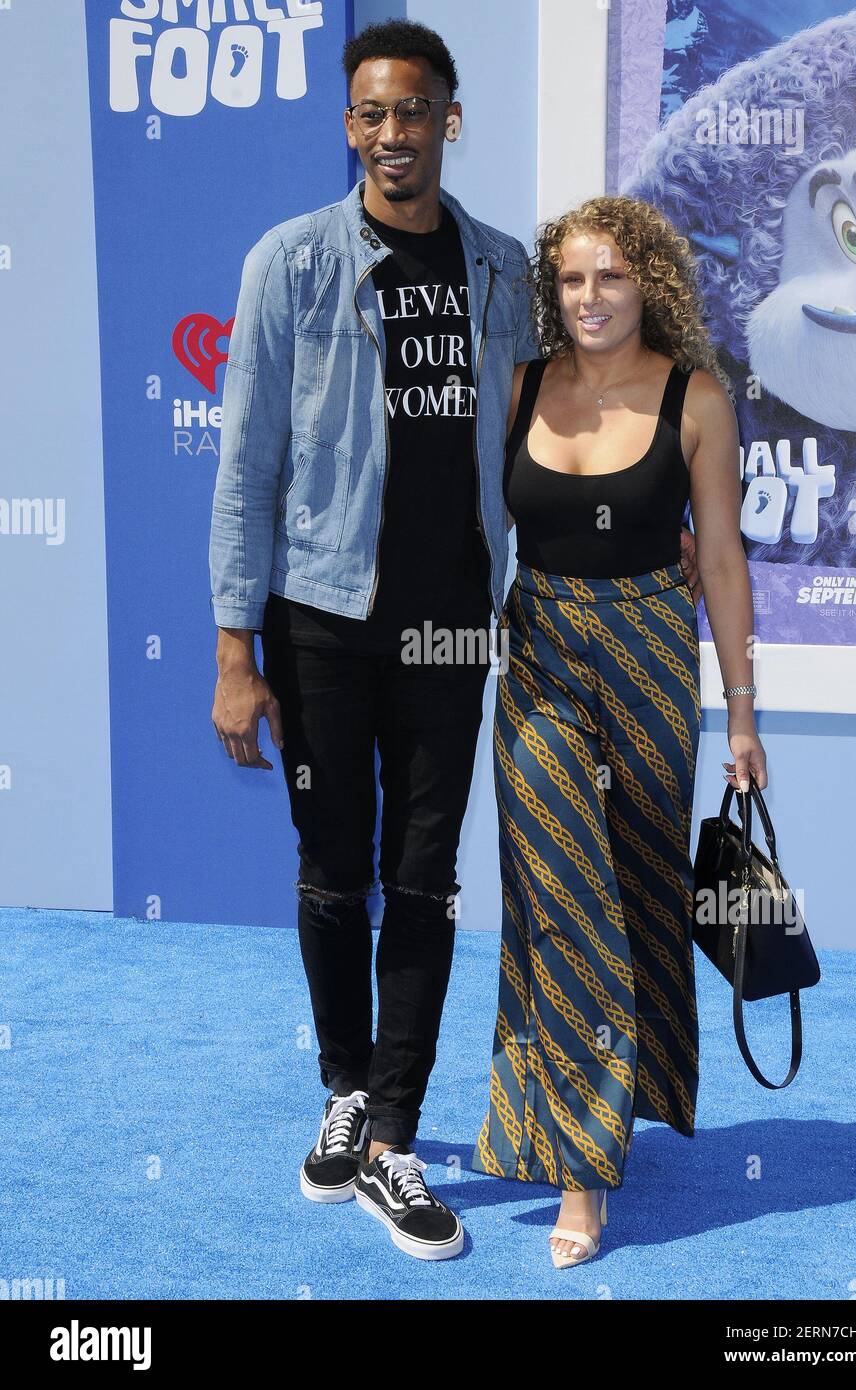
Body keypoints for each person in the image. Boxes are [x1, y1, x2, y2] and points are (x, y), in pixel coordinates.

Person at [209, 20, 699, 1262]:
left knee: (425, 879)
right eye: (370, 114)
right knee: (334, 873)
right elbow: (245, 467)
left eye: (413, 111)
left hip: (448, 627)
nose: (392, 135)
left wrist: (670, 503)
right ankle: (344, 1089)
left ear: (449, 119)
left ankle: (391, 1140)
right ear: (349, 125)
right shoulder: (289, 263)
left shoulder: (498, 272)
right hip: (317, 617)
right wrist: (233, 652)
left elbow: (598, 371)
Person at [471, 195, 768, 1268]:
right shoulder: (517, 387)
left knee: (638, 885)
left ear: (651, 285)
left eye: (609, 277)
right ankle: (581, 1174)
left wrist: (740, 709)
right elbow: (461, 529)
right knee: (562, 893)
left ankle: (621, 1093)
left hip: (648, 656)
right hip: (541, 657)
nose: (587, 298)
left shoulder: (696, 398)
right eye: (570, 280)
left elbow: (724, 558)